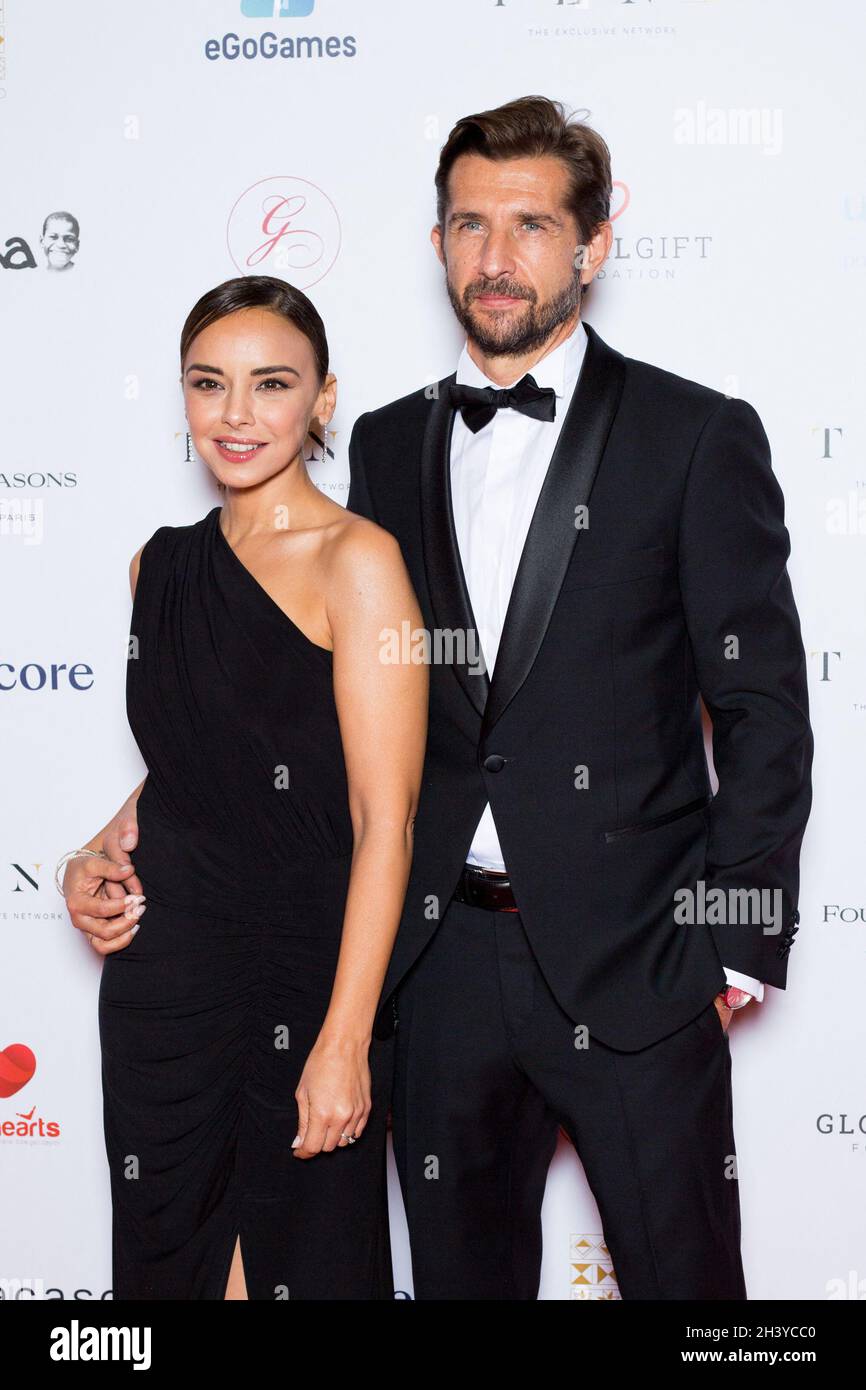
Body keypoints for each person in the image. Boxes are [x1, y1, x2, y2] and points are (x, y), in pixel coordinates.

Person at [66, 94, 814, 1301]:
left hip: (636, 958)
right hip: (436, 967)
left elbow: (765, 708)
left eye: (528, 224)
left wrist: (733, 943)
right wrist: (121, 830)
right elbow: (305, 708)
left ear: (592, 245)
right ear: (434, 246)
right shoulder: (386, 442)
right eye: (469, 224)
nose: (496, 256)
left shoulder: (692, 433)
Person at [59, 275, 428, 1300]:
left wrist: (344, 1039)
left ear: (321, 400)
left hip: (302, 977)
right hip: (164, 992)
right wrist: (90, 852)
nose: (235, 413)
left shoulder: (358, 559)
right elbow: (195, 770)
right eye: (206, 383)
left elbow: (383, 819)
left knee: (298, 1266)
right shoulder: (158, 565)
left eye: (271, 384)